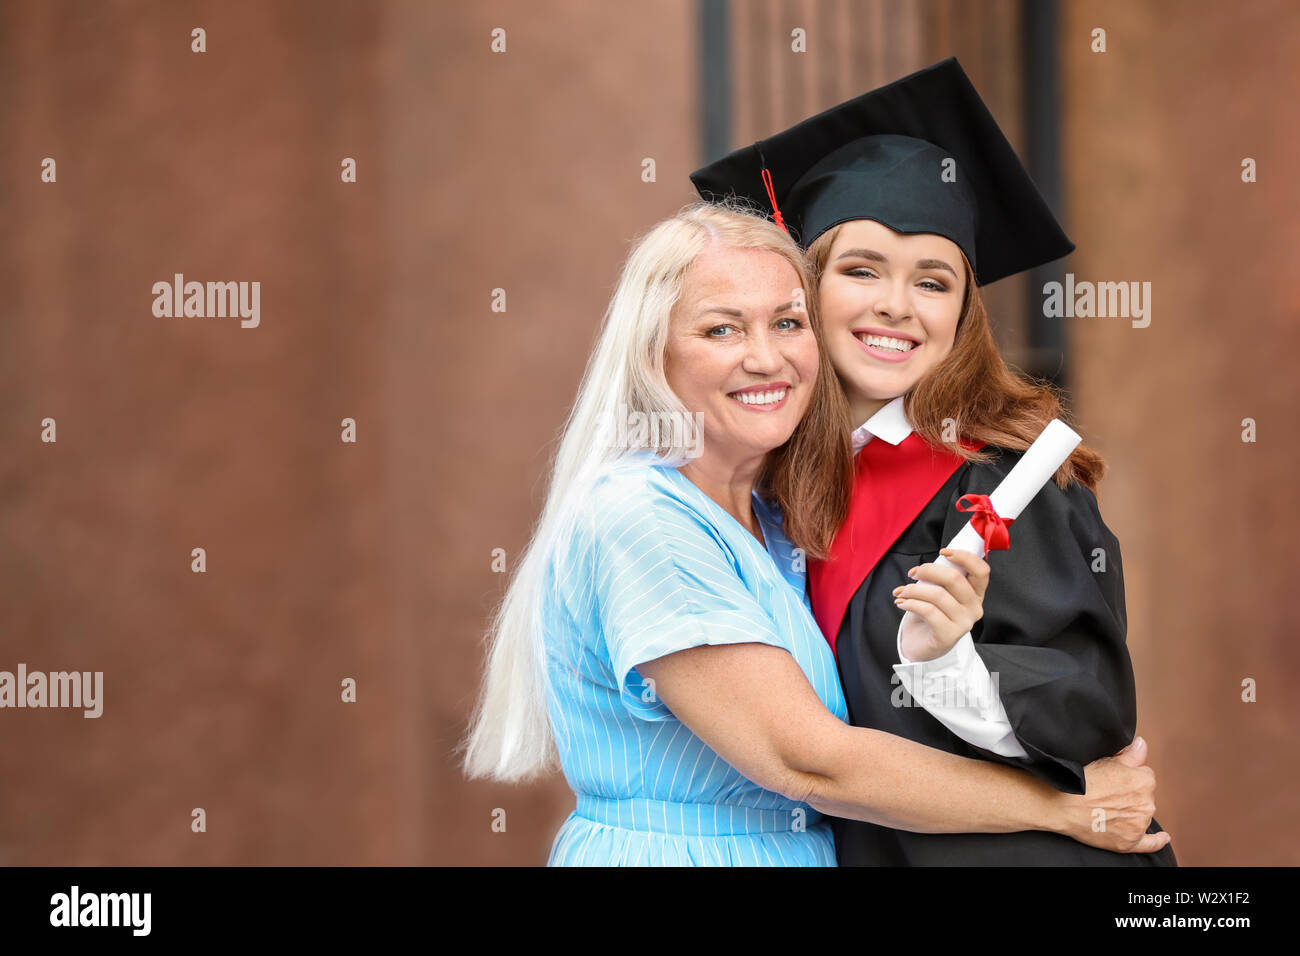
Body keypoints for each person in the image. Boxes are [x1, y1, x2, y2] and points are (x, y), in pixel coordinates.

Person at [459, 199, 1170, 866]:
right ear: (652, 355)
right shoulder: (643, 518)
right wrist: (1063, 809)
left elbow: (1081, 694)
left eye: (787, 322)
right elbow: (808, 760)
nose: (765, 358)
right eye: (721, 328)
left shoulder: (776, 519)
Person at [690, 57, 1177, 865]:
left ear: (962, 314)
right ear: (803, 291)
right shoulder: (762, 487)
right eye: (860, 269)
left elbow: (1092, 718)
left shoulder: (1006, 485)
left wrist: (946, 660)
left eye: (934, 281)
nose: (896, 305)